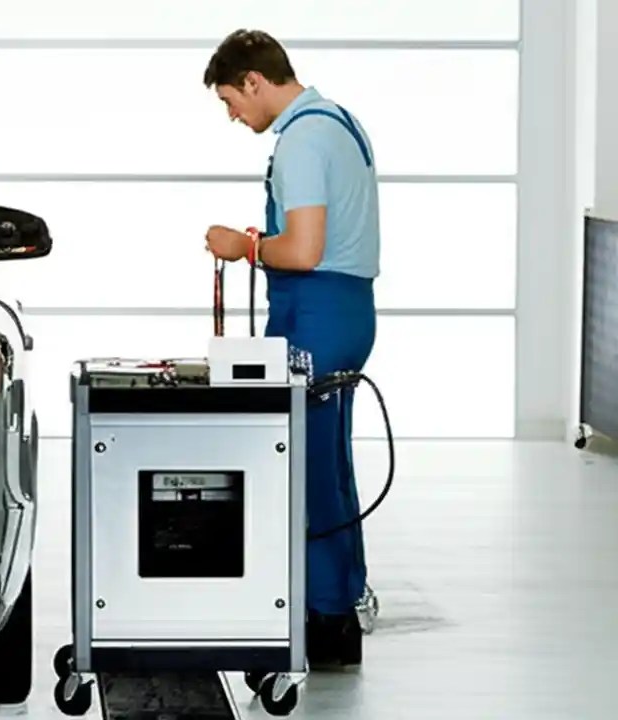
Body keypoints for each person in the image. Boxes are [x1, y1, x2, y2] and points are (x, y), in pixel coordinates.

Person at [201, 29, 379, 668]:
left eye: (230, 100)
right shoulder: (341, 123)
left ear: (254, 80)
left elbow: (302, 250)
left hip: (317, 315)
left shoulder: (302, 139)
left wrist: (241, 245)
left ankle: (324, 621)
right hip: (348, 310)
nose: (232, 115)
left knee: (304, 470)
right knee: (329, 462)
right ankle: (338, 601)